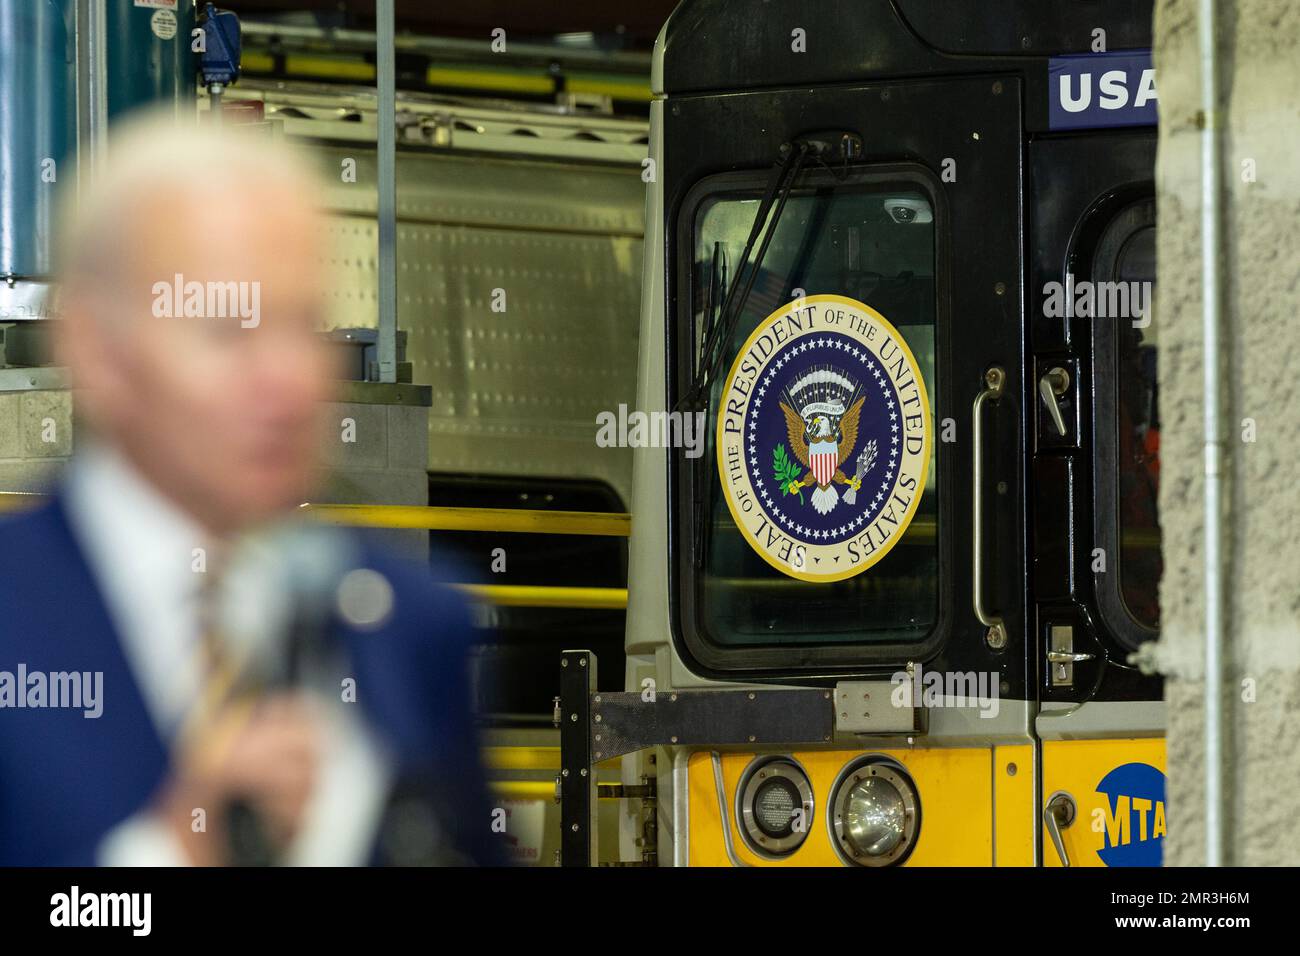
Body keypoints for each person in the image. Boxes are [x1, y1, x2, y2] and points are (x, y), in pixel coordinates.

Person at [0, 112, 501, 866]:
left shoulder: (408, 625)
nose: (287, 380)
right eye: (228, 330)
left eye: (304, 326)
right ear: (96, 352)